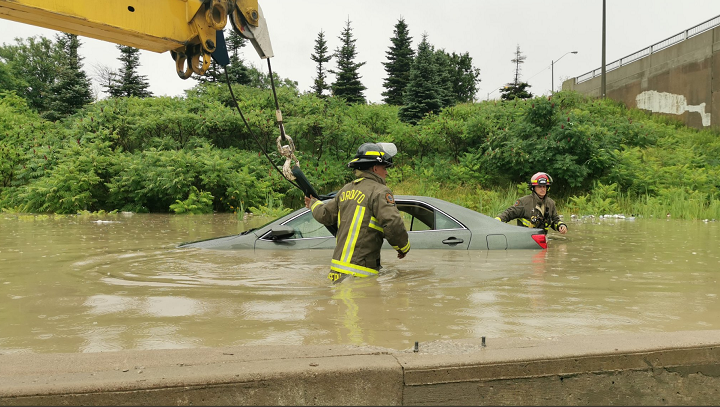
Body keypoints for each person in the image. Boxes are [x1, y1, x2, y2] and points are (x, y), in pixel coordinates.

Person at [304, 142, 410, 282]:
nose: (387, 172)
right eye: (384, 167)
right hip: (360, 274)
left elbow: (325, 215)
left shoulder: (346, 190)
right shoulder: (379, 191)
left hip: (336, 272)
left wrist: (313, 204)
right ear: (375, 168)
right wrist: (403, 247)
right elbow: (393, 224)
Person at [495, 172, 568, 235]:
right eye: (539, 186)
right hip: (525, 238)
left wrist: (561, 226)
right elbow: (509, 213)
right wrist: (497, 221)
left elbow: (555, 220)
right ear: (533, 188)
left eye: (544, 186)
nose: (542, 189)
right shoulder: (524, 202)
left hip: (542, 239)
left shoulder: (551, 203)